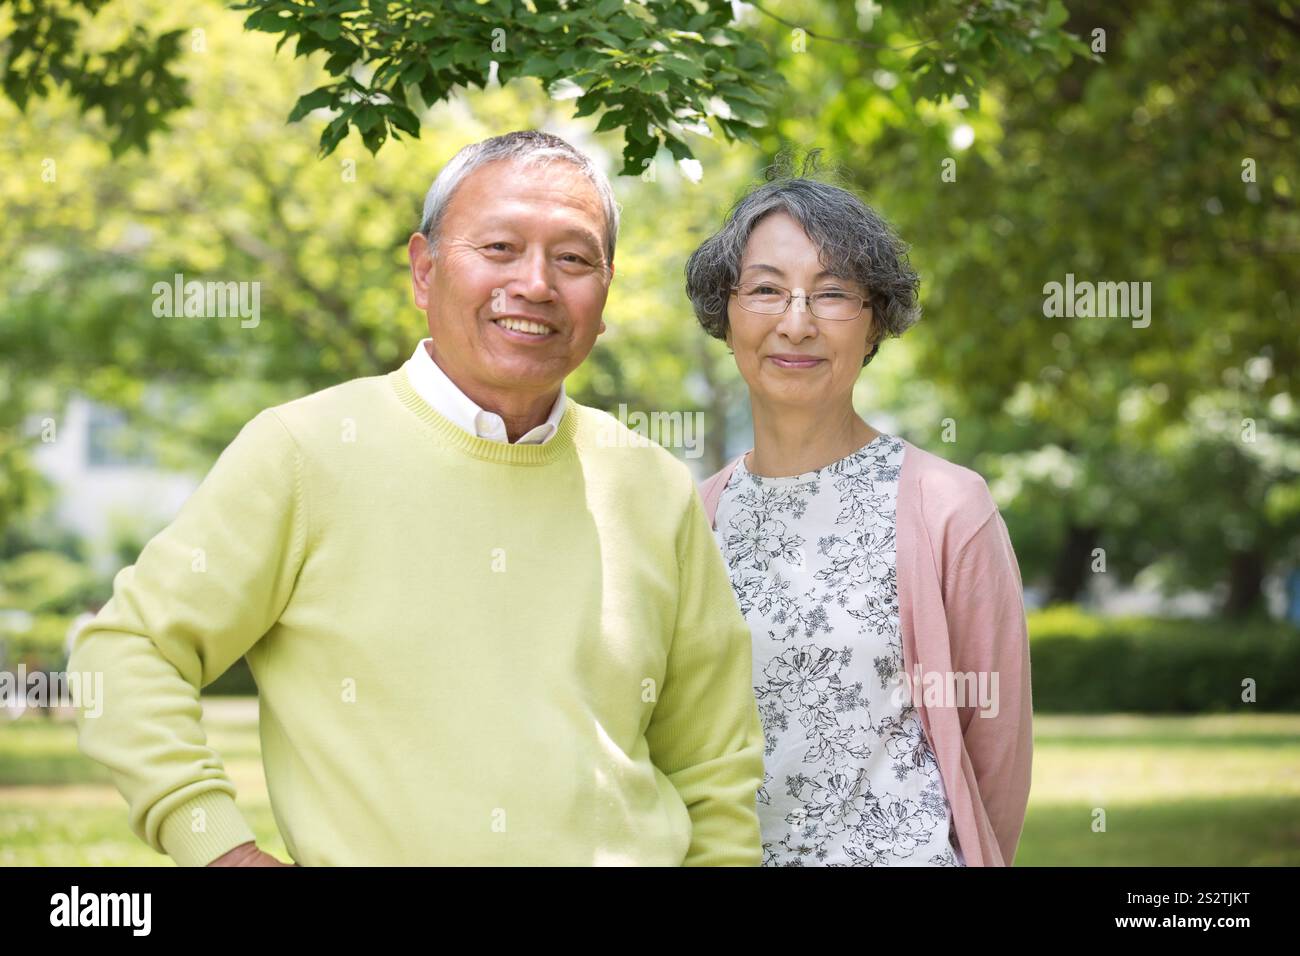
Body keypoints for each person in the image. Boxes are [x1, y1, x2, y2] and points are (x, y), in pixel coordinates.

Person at [70, 130, 765, 866]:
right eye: (499, 248)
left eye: (572, 258)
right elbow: (124, 652)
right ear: (424, 270)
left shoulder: (651, 486)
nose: (535, 284)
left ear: (605, 292)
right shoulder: (304, 452)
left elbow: (714, 767)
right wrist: (216, 845)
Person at [688, 158, 1033, 866]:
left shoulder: (947, 507)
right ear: (726, 315)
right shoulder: (695, 520)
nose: (797, 322)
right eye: (765, 290)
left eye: (833, 294)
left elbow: (995, 746)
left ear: (874, 322)